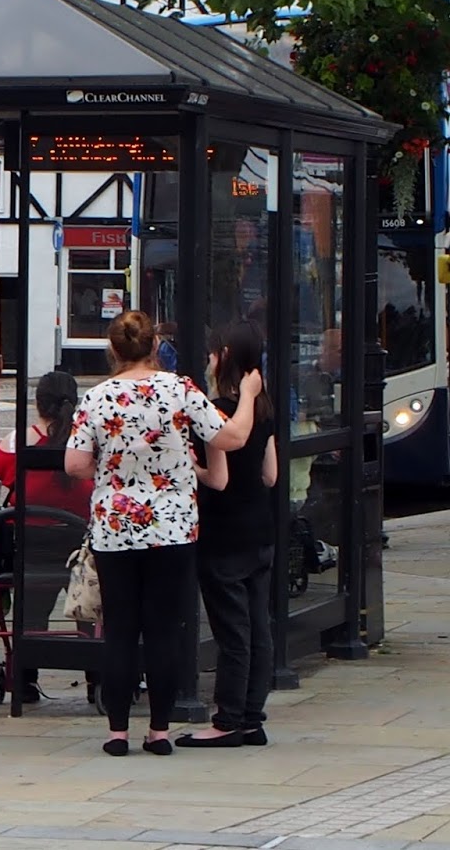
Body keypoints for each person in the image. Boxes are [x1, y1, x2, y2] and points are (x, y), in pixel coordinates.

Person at [66, 310, 262, 757]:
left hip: (115, 528)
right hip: (172, 527)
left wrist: (115, 472)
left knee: (118, 628)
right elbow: (230, 437)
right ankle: (157, 731)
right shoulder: (181, 389)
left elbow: (74, 465)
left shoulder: (96, 398)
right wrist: (248, 395)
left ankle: (117, 732)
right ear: (155, 346)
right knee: (162, 629)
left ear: (112, 349)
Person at [179, 321, 278, 749]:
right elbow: (271, 475)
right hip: (260, 529)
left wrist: (194, 467)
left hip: (223, 535)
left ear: (224, 357)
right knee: (259, 628)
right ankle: (253, 717)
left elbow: (216, 480)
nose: (207, 359)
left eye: (212, 352)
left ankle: (228, 720)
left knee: (232, 632)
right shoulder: (264, 409)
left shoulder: (214, 410)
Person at [0, 370, 97, 704]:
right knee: (92, 611)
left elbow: (1, 472)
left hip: (31, 550)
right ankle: (97, 677)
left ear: (37, 404)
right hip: (79, 552)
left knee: (31, 610)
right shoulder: (88, 443)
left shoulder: (16, 444)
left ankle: (24, 678)